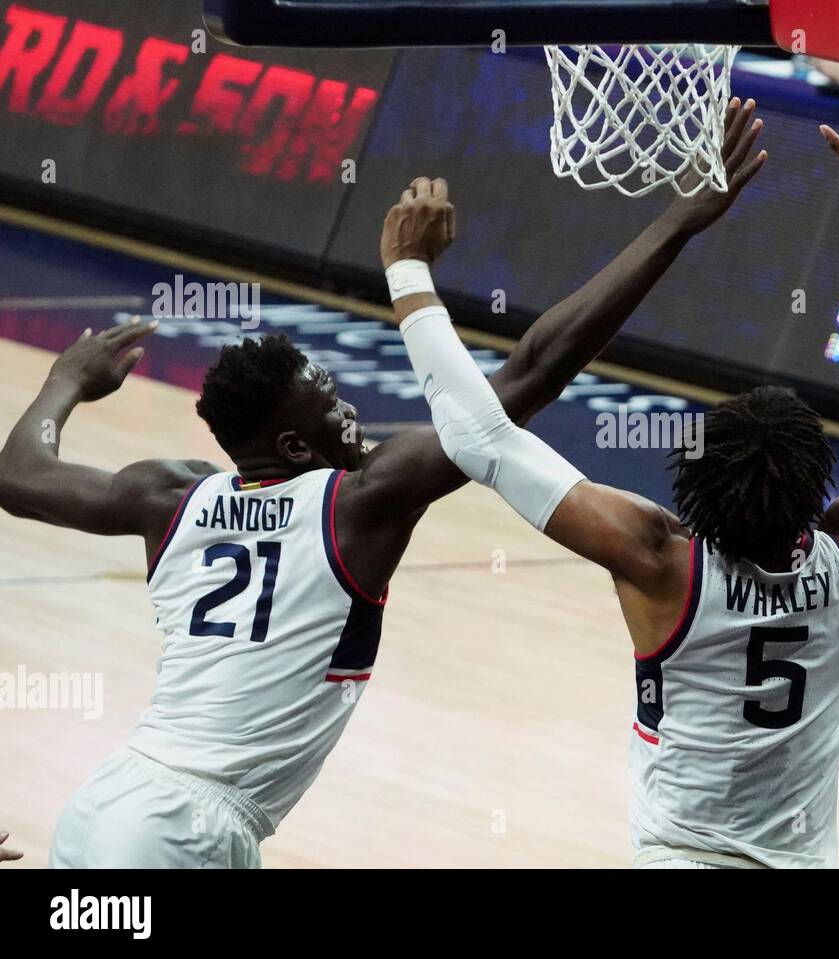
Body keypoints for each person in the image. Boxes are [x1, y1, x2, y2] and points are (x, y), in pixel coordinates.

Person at [0, 99, 767, 868]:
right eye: (333, 406)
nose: (354, 413)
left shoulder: (168, 495)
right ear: (295, 443)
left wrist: (66, 381)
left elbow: (20, 473)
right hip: (180, 834)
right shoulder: (359, 502)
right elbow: (530, 374)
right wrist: (678, 223)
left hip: (117, 800)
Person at [395, 73, 839, 868]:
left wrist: (407, 272)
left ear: (694, 485)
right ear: (821, 489)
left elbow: (479, 435)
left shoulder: (658, 557)